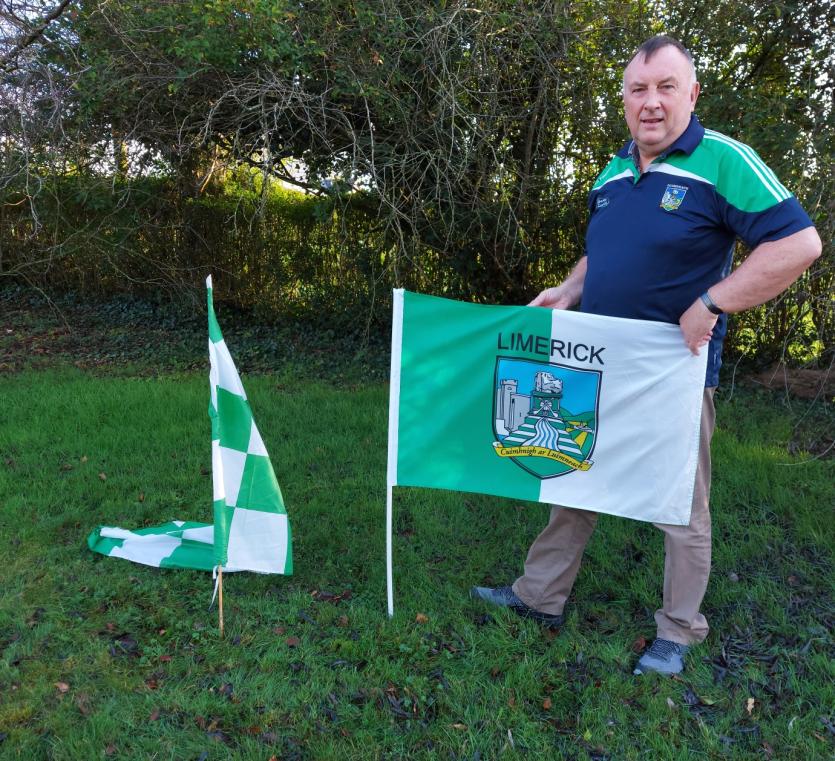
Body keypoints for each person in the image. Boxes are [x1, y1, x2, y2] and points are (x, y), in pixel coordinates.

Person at [471, 35, 821, 675]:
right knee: (571, 473)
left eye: (665, 88)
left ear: (692, 93)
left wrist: (713, 301)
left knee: (680, 504)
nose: (651, 103)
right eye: (638, 90)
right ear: (625, 101)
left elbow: (799, 244)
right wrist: (571, 287)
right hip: (596, 361)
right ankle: (538, 597)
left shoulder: (722, 161)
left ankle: (680, 630)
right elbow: (606, 249)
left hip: (671, 374)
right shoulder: (613, 168)